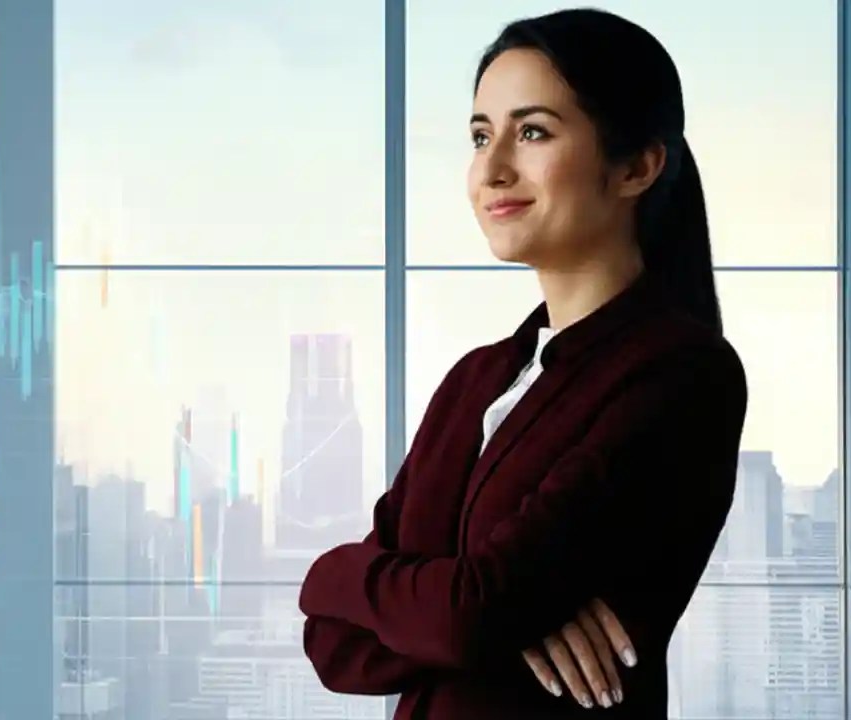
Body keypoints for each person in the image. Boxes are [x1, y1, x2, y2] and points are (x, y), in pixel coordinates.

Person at [298, 8, 748, 718]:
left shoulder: (681, 372)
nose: (492, 169)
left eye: (533, 132)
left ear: (636, 166)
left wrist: (340, 575)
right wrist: (442, 605)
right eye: (481, 136)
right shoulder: (475, 381)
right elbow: (332, 645)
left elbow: (470, 616)